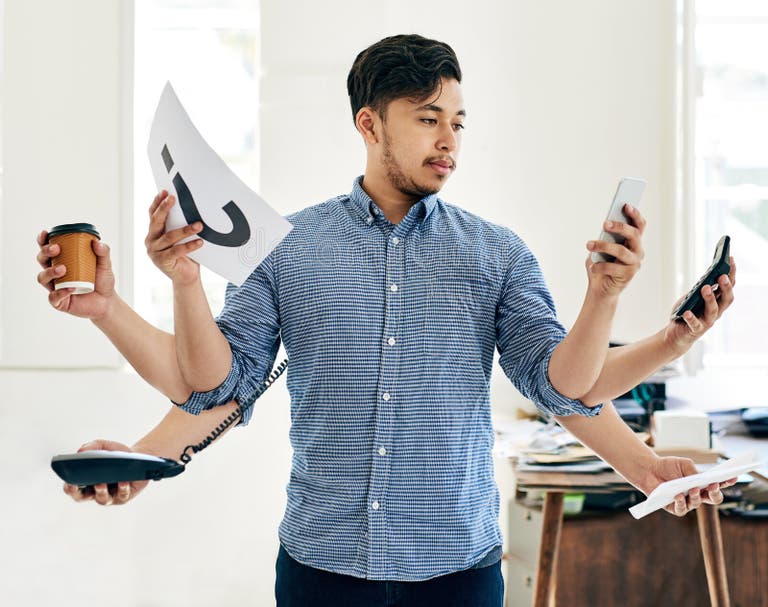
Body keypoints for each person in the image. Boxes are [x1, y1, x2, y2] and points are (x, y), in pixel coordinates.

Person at [36, 34, 737, 607]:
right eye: (428, 118)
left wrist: (613, 303)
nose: (449, 141)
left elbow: (562, 385)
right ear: (369, 124)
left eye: (457, 122)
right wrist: (184, 284)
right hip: (321, 572)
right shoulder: (287, 247)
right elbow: (216, 383)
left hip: (457, 577)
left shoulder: (496, 254)